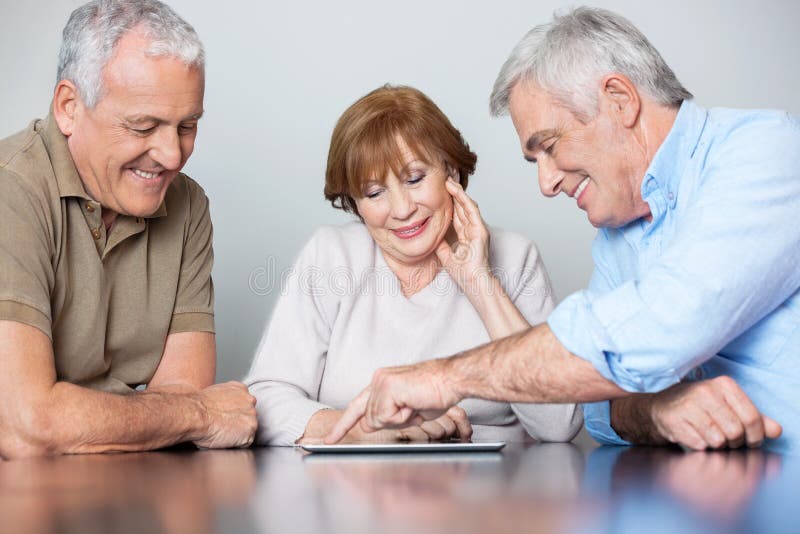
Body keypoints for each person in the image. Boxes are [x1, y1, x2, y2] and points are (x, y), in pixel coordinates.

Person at [326, 7, 798, 453]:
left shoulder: (767, 153)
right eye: (535, 160)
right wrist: (654, 409)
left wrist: (444, 377)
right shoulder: (619, 237)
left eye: (549, 147)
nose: (546, 183)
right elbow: (595, 409)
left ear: (619, 100)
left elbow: (659, 330)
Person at [245, 85, 582, 445]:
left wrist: (479, 283)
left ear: (450, 171)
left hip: (485, 493)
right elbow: (264, 399)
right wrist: (358, 430)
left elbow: (560, 423)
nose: (402, 209)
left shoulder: (515, 257)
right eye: (374, 193)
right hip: (356, 492)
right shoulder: (332, 255)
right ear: (354, 203)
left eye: (415, 179)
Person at [0, 0, 256, 459]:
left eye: (187, 126)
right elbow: (25, 425)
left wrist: (81, 420)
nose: (172, 156)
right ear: (69, 107)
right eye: (144, 126)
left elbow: (183, 388)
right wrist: (198, 414)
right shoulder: (9, 191)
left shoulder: (187, 204)